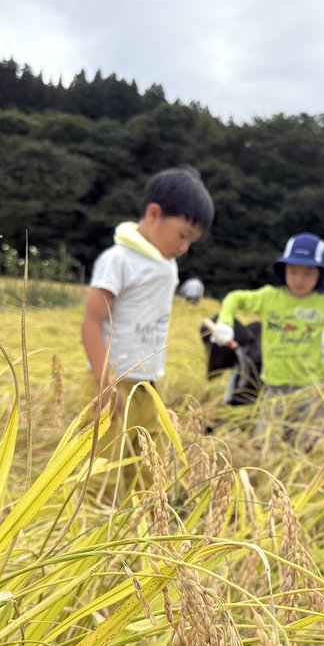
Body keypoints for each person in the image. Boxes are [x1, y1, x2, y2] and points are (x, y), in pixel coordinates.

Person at [81, 166, 214, 445]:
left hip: (149, 384)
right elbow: (92, 322)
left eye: (192, 240)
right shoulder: (119, 260)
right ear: (154, 213)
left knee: (142, 467)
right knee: (100, 469)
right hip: (114, 382)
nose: (185, 247)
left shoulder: (167, 264)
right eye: (183, 235)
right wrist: (104, 382)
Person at [210, 233, 324, 396]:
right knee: (270, 422)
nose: (299, 280)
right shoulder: (269, 297)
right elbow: (234, 298)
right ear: (283, 269)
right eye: (292, 271)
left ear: (320, 274)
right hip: (273, 388)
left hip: (311, 390)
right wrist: (225, 322)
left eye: (308, 273)